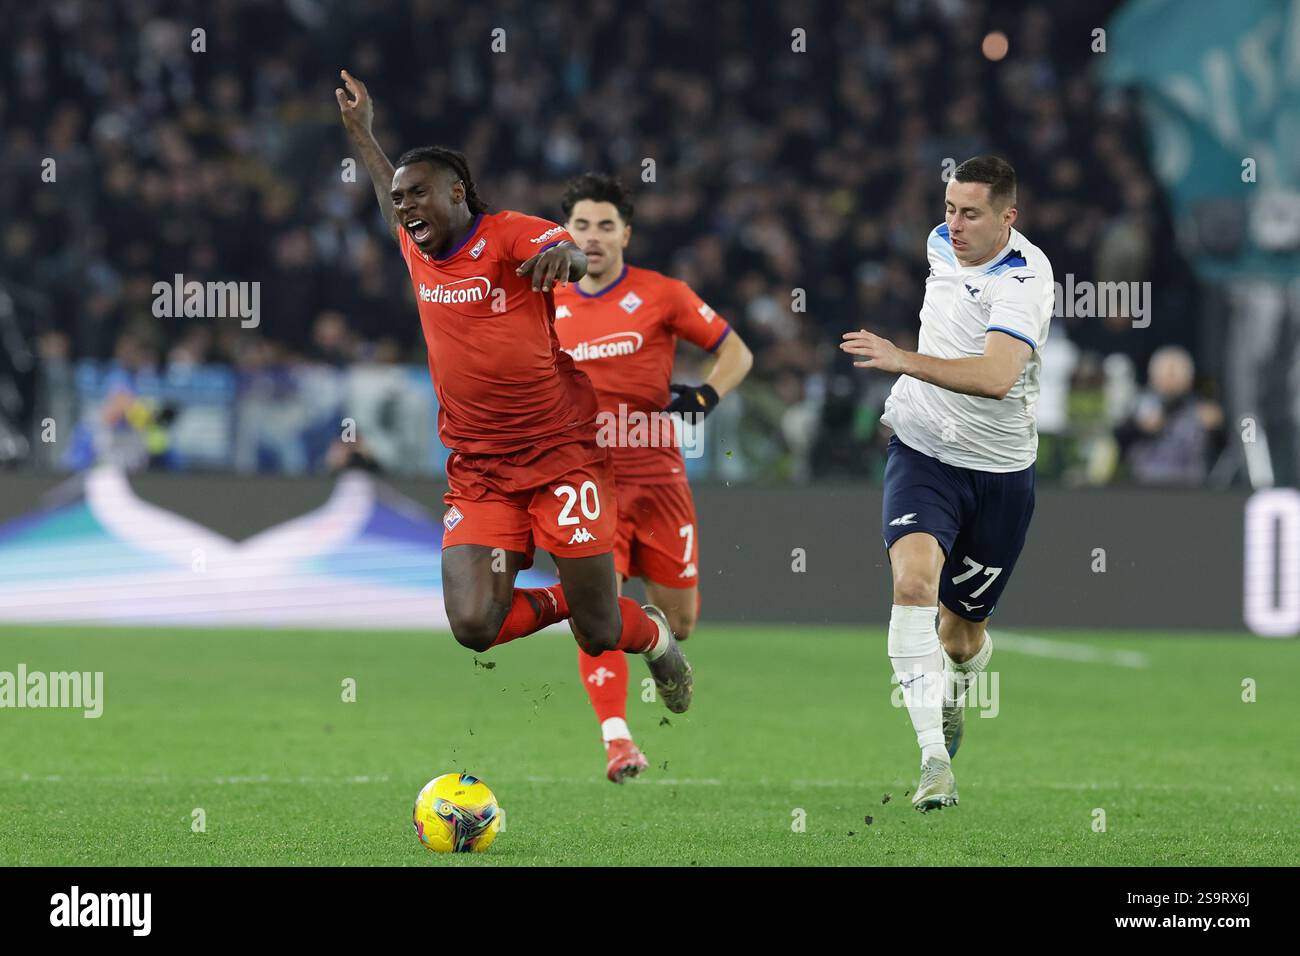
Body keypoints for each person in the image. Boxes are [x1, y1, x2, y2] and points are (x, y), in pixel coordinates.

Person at [334, 71, 692, 712]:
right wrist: (364, 133)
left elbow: (566, 249)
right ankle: (566, 600)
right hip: (480, 469)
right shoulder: (417, 248)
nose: (407, 207)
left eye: (420, 195)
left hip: (562, 453)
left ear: (457, 191)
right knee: (476, 627)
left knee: (603, 630)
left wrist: (568, 262)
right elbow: (388, 202)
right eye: (400, 200)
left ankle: (655, 636)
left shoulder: (508, 235)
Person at [841, 156, 1053, 811]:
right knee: (911, 584)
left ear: (1007, 218)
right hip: (923, 449)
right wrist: (909, 382)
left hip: (999, 474)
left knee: (961, 640)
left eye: (971, 213)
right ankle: (934, 760)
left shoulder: (1026, 278)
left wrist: (902, 358)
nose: (953, 225)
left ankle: (956, 689)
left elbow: (995, 377)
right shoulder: (941, 246)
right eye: (948, 209)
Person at [553, 173, 753, 781]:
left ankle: (660, 647)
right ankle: (618, 741)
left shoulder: (663, 294)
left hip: (659, 475)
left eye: (605, 226)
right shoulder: (542, 299)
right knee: (597, 616)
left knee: (681, 622)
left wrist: (705, 398)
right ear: (565, 231)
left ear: (626, 234)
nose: (592, 237)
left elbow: (737, 352)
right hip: (588, 480)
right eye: (582, 225)